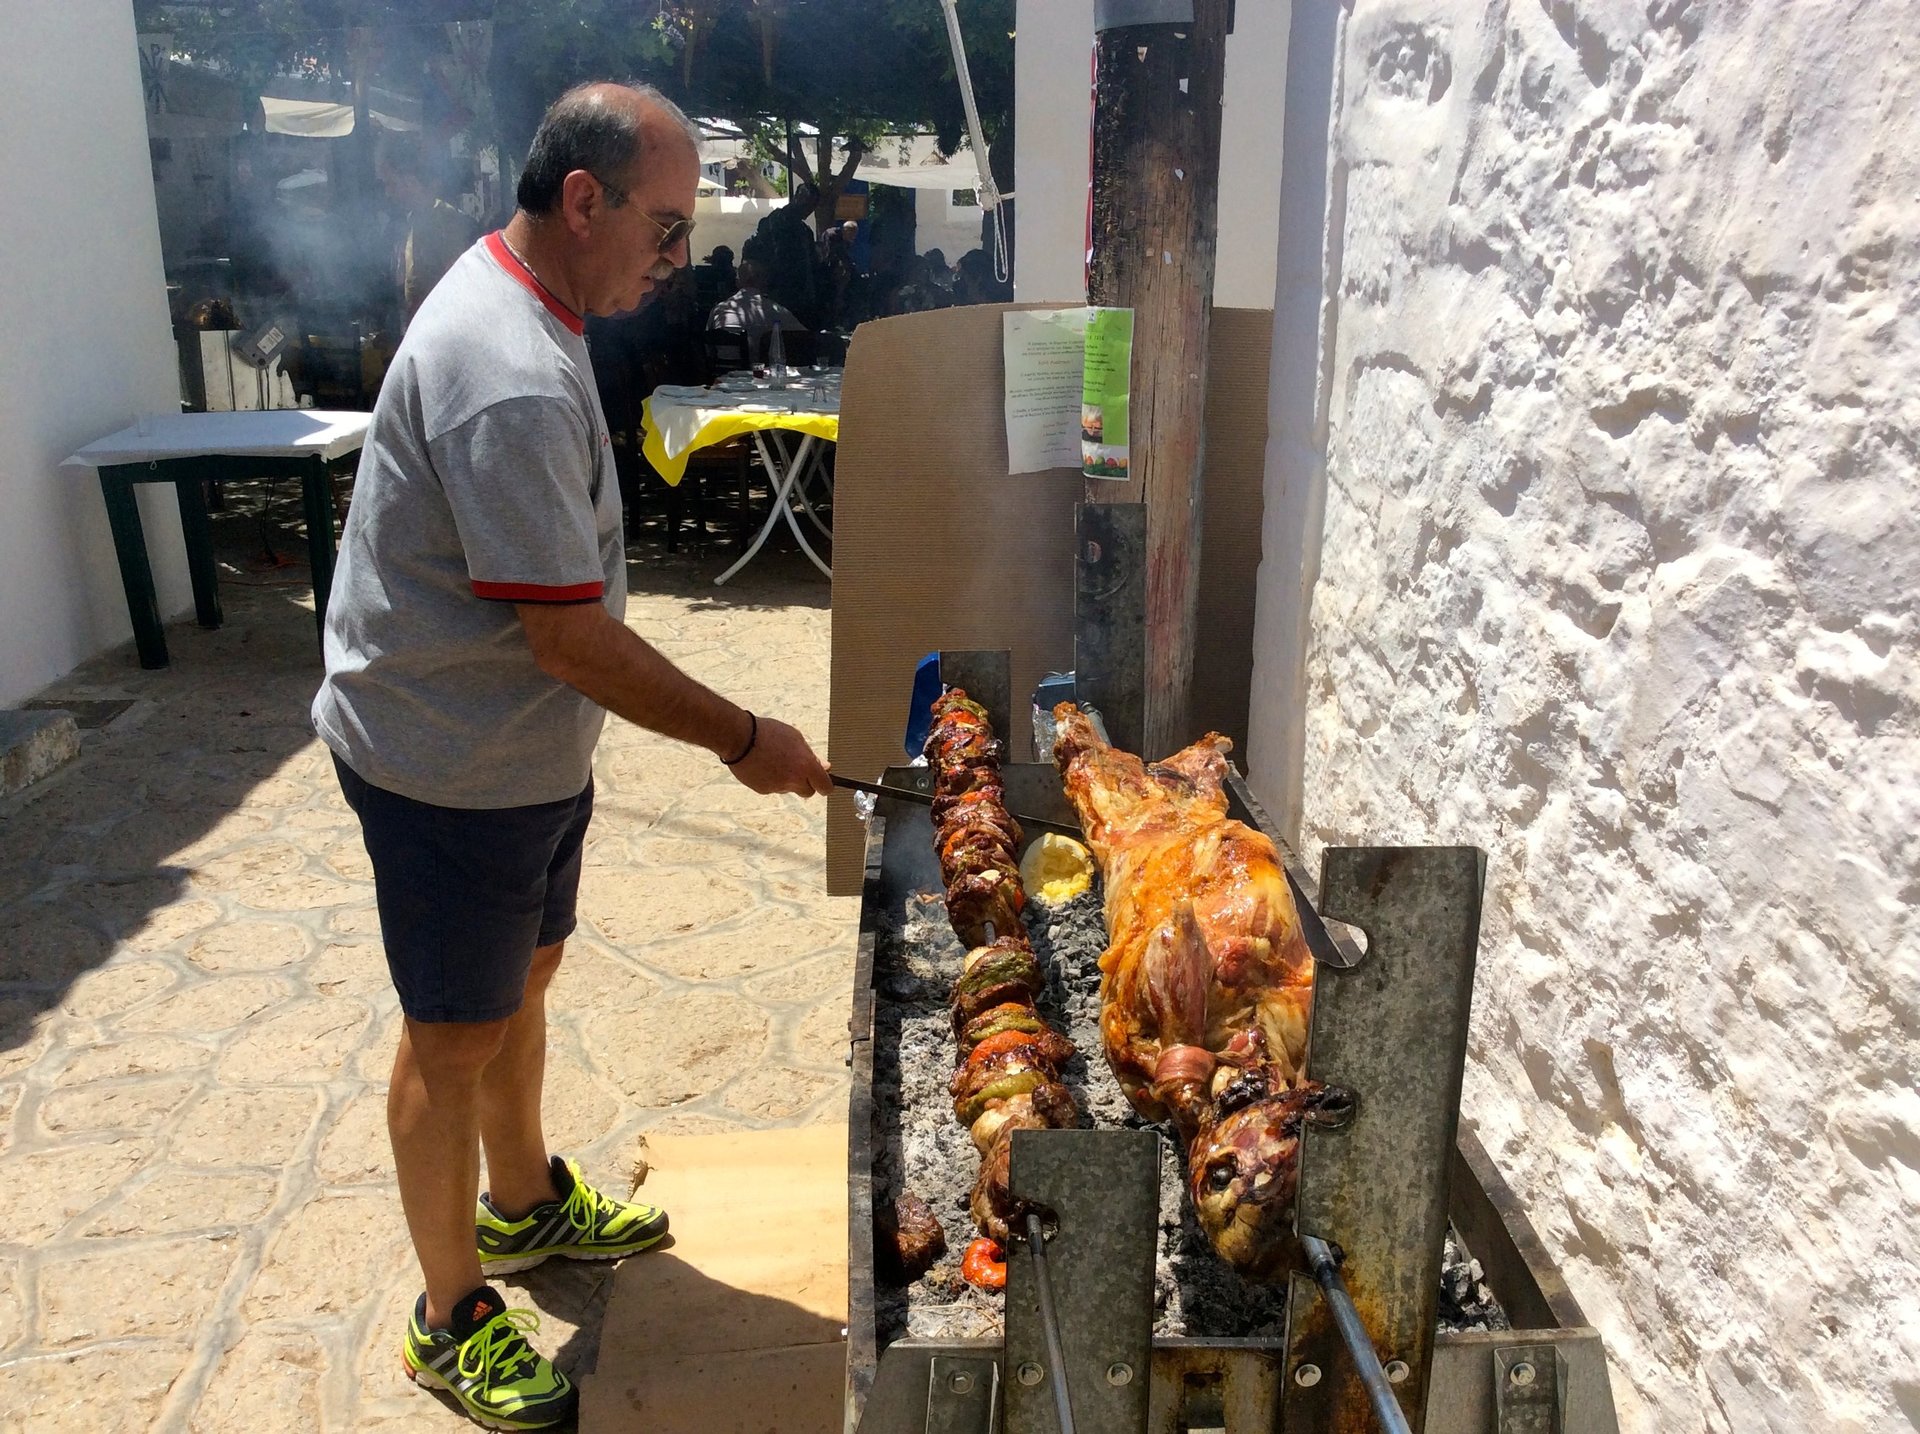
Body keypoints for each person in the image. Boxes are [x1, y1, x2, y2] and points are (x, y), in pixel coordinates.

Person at [312, 83, 831, 1431]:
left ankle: (526, 1201)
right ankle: (446, 1313)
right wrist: (746, 736)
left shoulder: (541, 311)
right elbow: (569, 641)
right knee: (453, 1030)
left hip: (520, 756)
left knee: (525, 974)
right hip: (447, 760)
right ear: (583, 199)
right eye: (665, 230)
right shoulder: (505, 372)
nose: (678, 260)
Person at [379, 140, 482, 323]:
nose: (388, 192)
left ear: (410, 181)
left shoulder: (446, 222)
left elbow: (460, 286)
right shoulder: (411, 221)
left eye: (392, 184)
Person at [707, 258, 805, 361]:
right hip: (760, 373)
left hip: (724, 374)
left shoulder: (719, 309)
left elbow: (708, 347)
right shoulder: (776, 310)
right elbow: (804, 336)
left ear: (738, 283)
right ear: (763, 281)